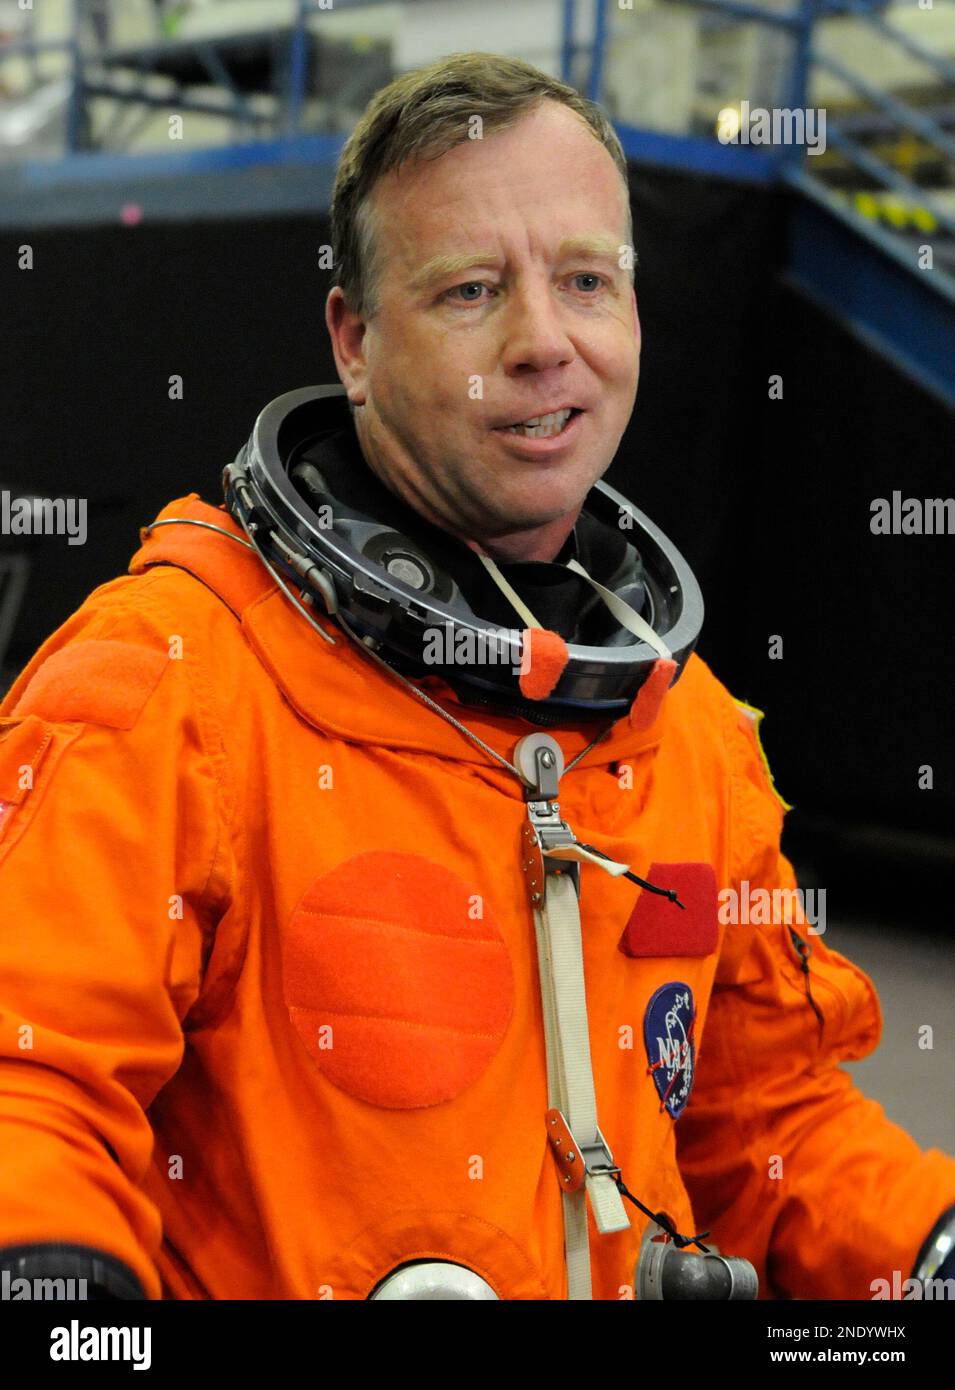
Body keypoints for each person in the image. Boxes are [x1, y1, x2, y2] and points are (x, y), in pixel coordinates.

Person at [0, 51, 953, 1302]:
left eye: (584, 281)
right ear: (354, 336)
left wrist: (928, 1246)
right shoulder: (170, 684)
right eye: (469, 290)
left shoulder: (690, 737)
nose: (541, 343)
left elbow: (765, 1118)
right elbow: (32, 1095)